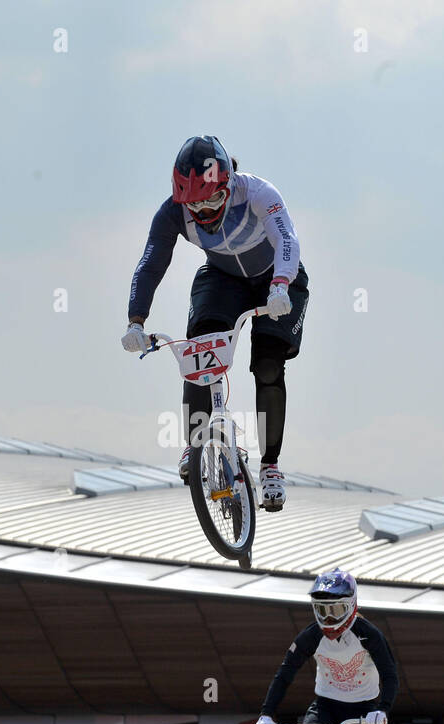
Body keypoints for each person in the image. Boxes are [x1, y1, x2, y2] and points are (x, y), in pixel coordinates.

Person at [123, 135, 308, 512]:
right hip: (223, 279)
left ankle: (270, 466)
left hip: (277, 279)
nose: (203, 212)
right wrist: (136, 320)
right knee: (198, 352)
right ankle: (197, 442)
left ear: (228, 183)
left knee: (269, 365)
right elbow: (151, 263)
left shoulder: (257, 192)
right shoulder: (171, 213)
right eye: (194, 204)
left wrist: (280, 284)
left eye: (211, 200)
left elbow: (286, 238)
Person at [252, 569, 399, 724]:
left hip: (362, 710)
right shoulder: (311, 635)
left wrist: (383, 709)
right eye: (322, 611)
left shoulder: (369, 634)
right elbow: (284, 674)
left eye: (336, 610)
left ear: (351, 605)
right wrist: (266, 714)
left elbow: (390, 675)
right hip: (325, 706)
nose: (328, 619)